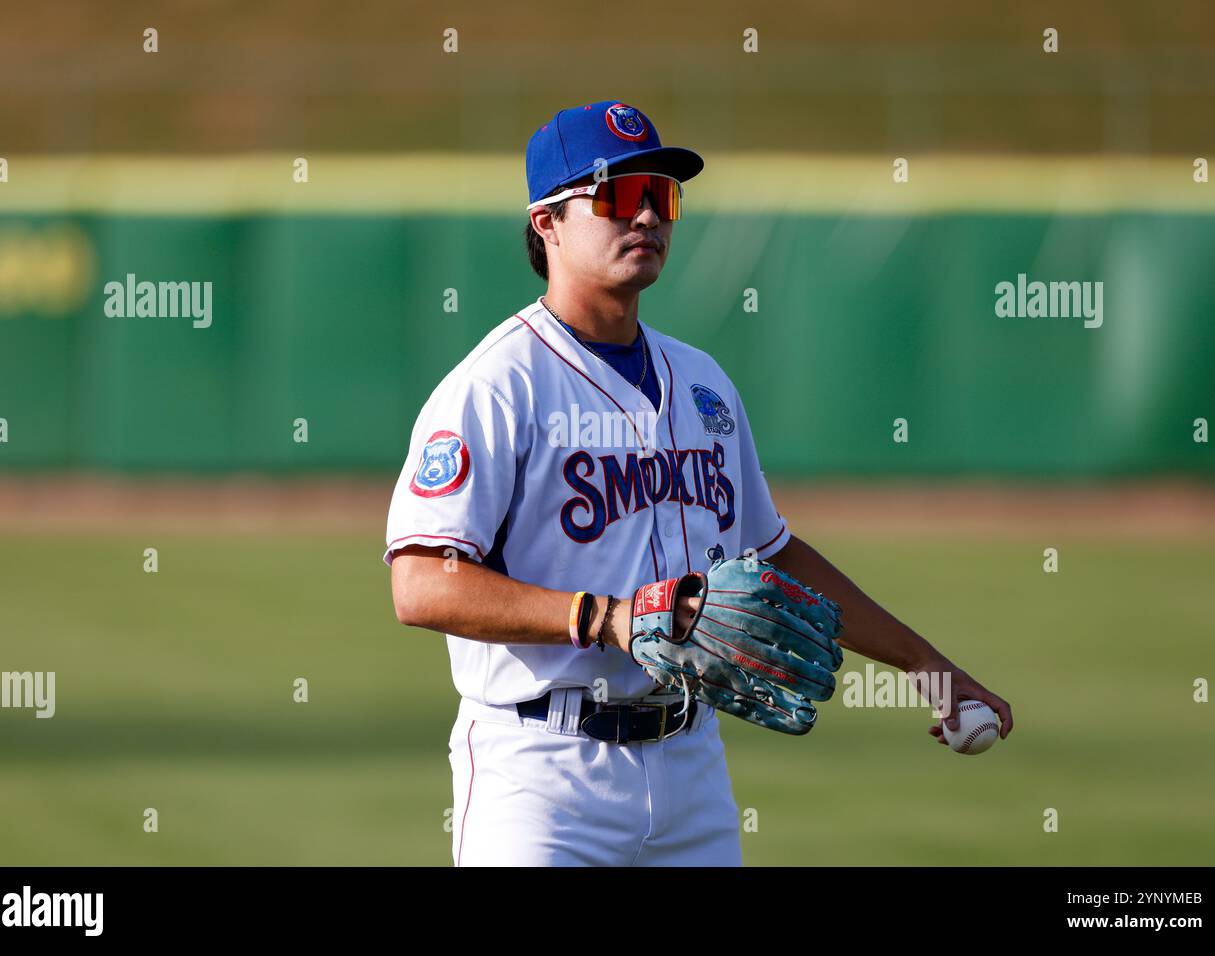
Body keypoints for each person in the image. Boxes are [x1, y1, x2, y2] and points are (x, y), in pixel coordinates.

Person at [385, 100, 1013, 866]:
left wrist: (923, 662)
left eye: (663, 195)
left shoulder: (702, 383)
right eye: (619, 194)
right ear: (546, 222)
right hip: (541, 773)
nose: (646, 213)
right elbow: (422, 584)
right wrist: (609, 618)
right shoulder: (497, 387)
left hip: (691, 764)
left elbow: (773, 553)